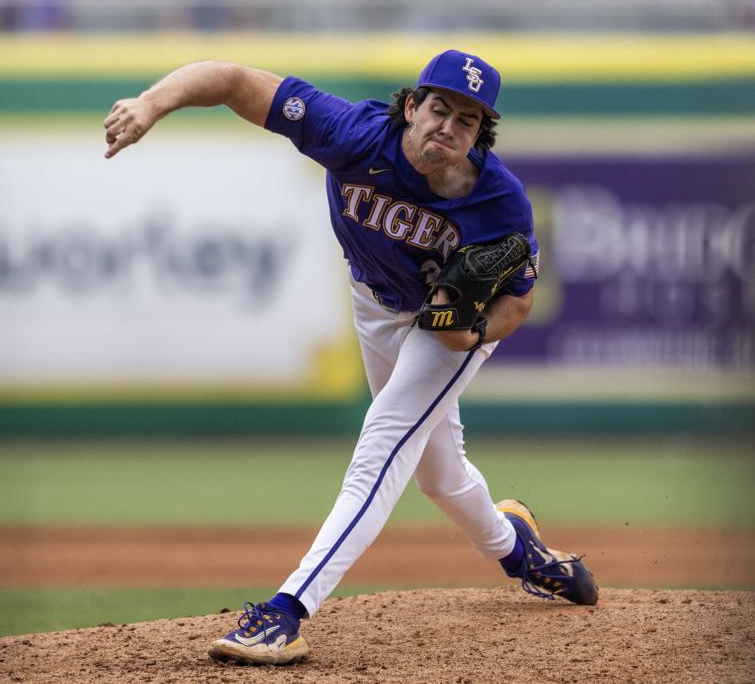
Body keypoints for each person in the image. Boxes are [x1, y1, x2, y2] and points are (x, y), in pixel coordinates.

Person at [102, 51, 598, 666]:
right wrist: (152, 104)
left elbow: (518, 302)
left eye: (466, 121)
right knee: (439, 477)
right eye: (439, 108)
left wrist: (466, 339)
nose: (448, 126)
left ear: (479, 135)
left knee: (382, 446)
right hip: (373, 302)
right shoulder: (351, 133)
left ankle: (286, 612)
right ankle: (519, 551)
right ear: (412, 107)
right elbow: (230, 80)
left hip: (443, 335)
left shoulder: (499, 202)